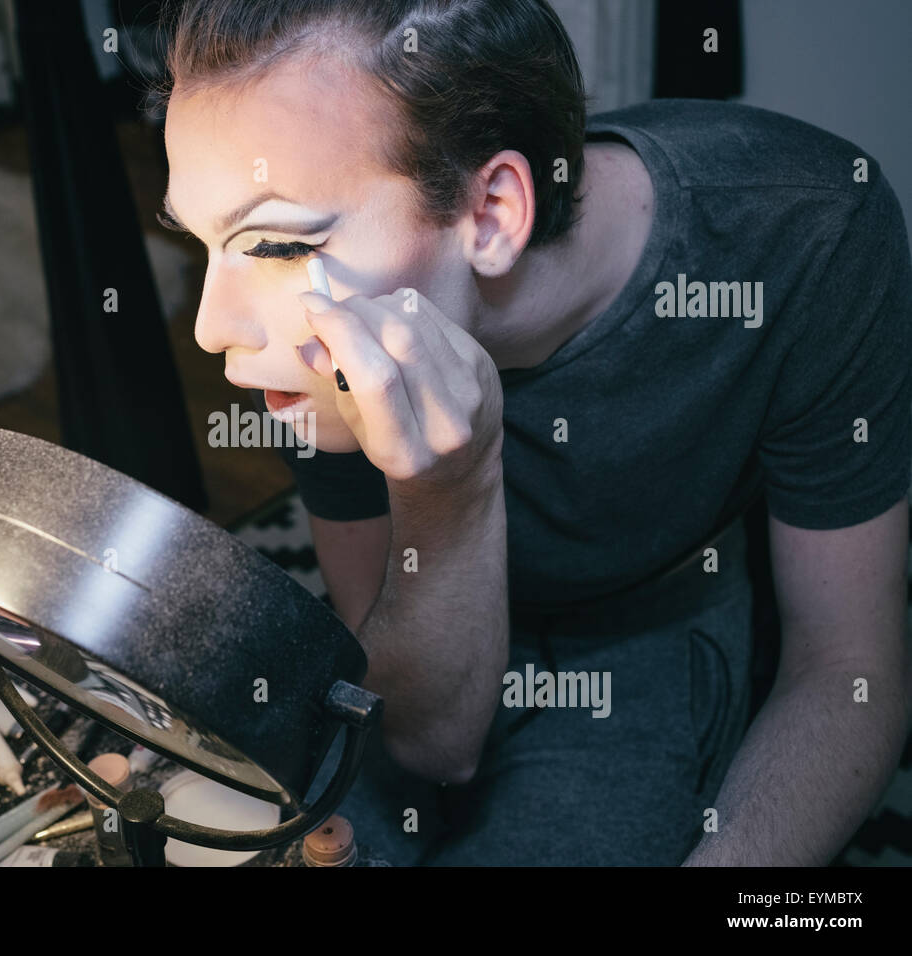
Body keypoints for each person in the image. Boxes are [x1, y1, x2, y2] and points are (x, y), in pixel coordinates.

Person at [151, 0, 912, 865]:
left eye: (277, 245)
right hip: (426, 610)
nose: (216, 328)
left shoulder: (811, 233)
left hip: (644, 618)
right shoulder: (312, 332)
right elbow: (428, 742)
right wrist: (450, 492)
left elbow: (853, 674)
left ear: (491, 213)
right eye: (207, 242)